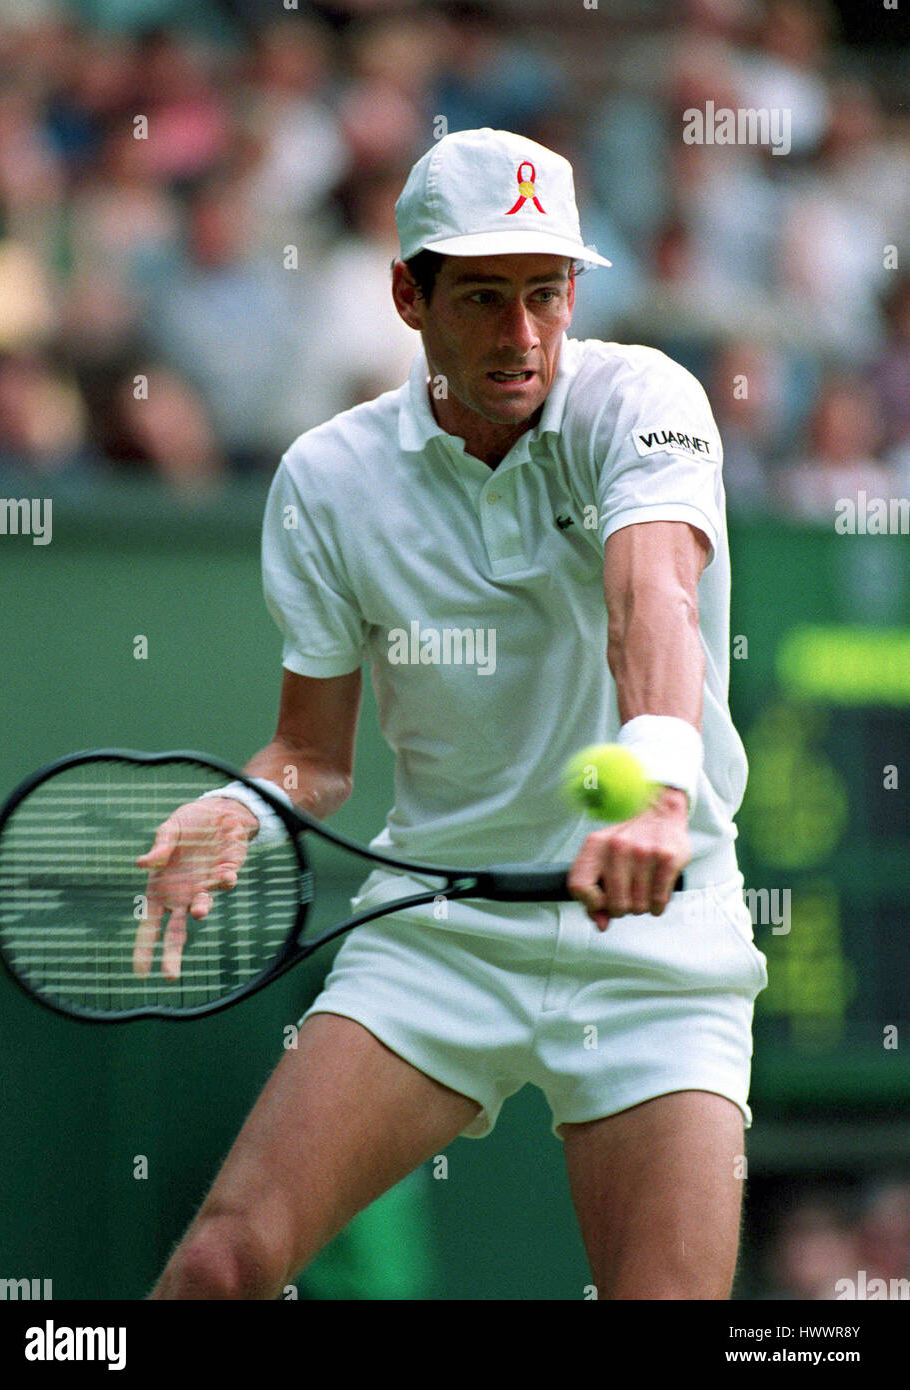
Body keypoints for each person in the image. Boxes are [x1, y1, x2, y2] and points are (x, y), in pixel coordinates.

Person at [139, 127, 768, 1300]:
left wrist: (651, 793)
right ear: (406, 297)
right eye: (482, 297)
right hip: (437, 928)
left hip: (654, 936)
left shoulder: (645, 401)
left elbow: (654, 603)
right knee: (218, 1268)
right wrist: (245, 806)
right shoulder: (327, 481)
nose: (521, 334)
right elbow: (310, 758)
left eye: (544, 294)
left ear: (574, 291)